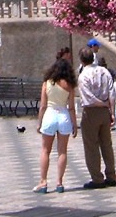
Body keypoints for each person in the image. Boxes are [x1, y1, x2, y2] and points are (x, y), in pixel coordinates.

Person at [32, 58, 78, 194]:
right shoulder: (69, 85)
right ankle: (59, 182)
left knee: (45, 150)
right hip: (63, 115)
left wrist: (39, 123)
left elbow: (43, 106)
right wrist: (74, 124)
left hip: (50, 115)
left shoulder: (47, 83)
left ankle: (43, 181)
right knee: (62, 151)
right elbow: (71, 107)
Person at [77, 46, 116, 189]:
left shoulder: (83, 76)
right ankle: (111, 175)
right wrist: (111, 110)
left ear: (81, 60)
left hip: (91, 111)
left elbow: (89, 97)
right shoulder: (104, 71)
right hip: (105, 111)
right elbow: (112, 92)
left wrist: (102, 104)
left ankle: (97, 178)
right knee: (107, 144)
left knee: (91, 145)